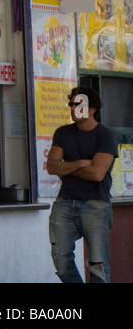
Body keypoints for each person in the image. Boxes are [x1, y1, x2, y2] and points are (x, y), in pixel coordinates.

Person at [45, 86, 116, 283]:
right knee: (60, 258)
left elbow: (97, 174)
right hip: (65, 202)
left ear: (92, 109)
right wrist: (79, 163)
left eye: (78, 104)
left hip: (96, 205)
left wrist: (65, 166)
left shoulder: (105, 135)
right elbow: (51, 166)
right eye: (71, 104)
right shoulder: (62, 133)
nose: (73, 108)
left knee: (97, 264)